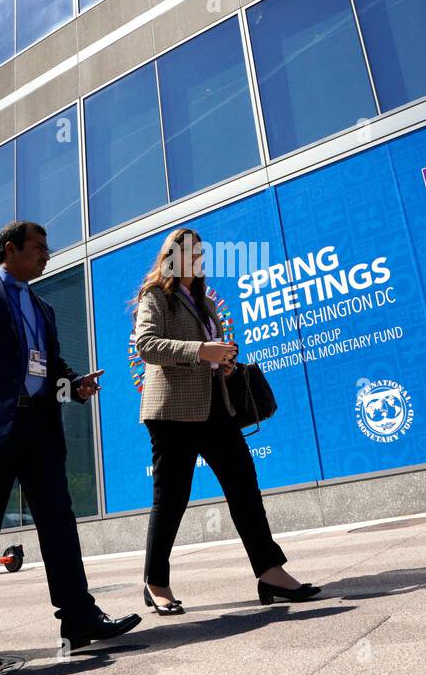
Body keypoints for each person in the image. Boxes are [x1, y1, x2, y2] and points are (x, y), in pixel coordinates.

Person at [0, 220, 141, 667]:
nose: (47, 254)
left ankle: (79, 619)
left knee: (59, 526)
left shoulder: (43, 306)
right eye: (39, 247)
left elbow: (49, 363)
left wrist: (74, 383)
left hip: (42, 431)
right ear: (10, 249)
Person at [132, 227, 320, 613]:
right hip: (172, 412)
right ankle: (155, 581)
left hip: (216, 407)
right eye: (189, 252)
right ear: (171, 256)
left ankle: (270, 572)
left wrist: (225, 364)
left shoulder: (205, 303)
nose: (198, 258)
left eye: (201, 252)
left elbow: (210, 355)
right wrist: (203, 350)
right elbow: (147, 346)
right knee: (171, 498)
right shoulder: (156, 296)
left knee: (244, 486)